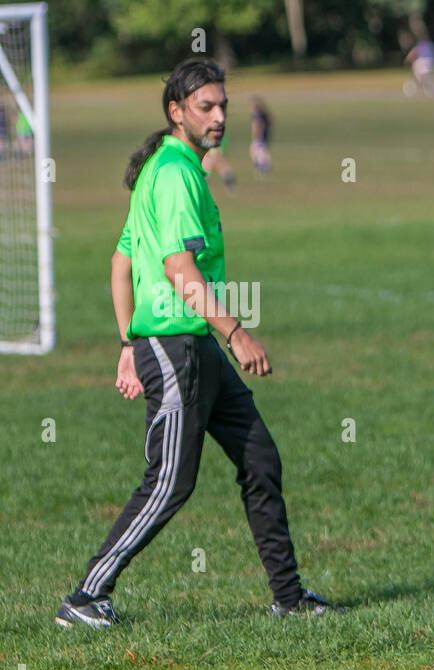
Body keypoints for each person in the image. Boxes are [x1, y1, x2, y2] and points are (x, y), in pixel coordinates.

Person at [56, 59, 339, 628]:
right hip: (179, 344)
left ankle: (288, 597)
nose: (218, 116)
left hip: (185, 344)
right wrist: (234, 331)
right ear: (176, 111)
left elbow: (121, 262)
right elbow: (180, 269)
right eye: (205, 106)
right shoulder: (175, 174)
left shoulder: (167, 168)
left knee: (260, 459)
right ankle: (85, 597)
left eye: (223, 105)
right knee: (169, 484)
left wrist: (124, 342)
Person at [249, 97, 271, 176]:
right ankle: (262, 166)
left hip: (259, 136)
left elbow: (258, 125)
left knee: (258, 151)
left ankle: (263, 167)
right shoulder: (260, 114)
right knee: (258, 151)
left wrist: (257, 134)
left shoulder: (257, 114)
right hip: (262, 136)